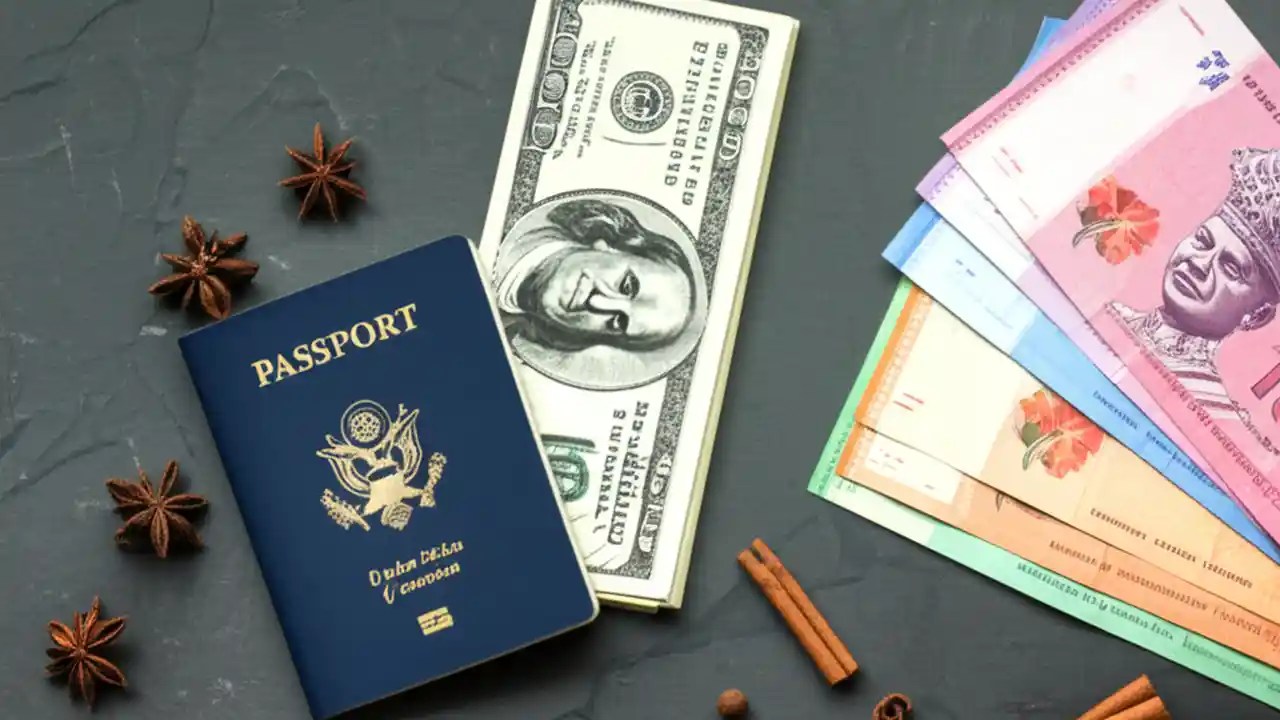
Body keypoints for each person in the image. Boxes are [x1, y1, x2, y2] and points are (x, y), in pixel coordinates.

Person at [1108, 147, 1280, 425]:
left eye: (1230, 267)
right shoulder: (1107, 316)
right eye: (1202, 240)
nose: (1199, 263)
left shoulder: (1220, 416)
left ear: (1257, 315)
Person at [495, 198, 699, 355]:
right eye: (626, 286)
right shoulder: (509, 229)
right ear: (614, 245)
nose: (597, 301)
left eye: (618, 322)